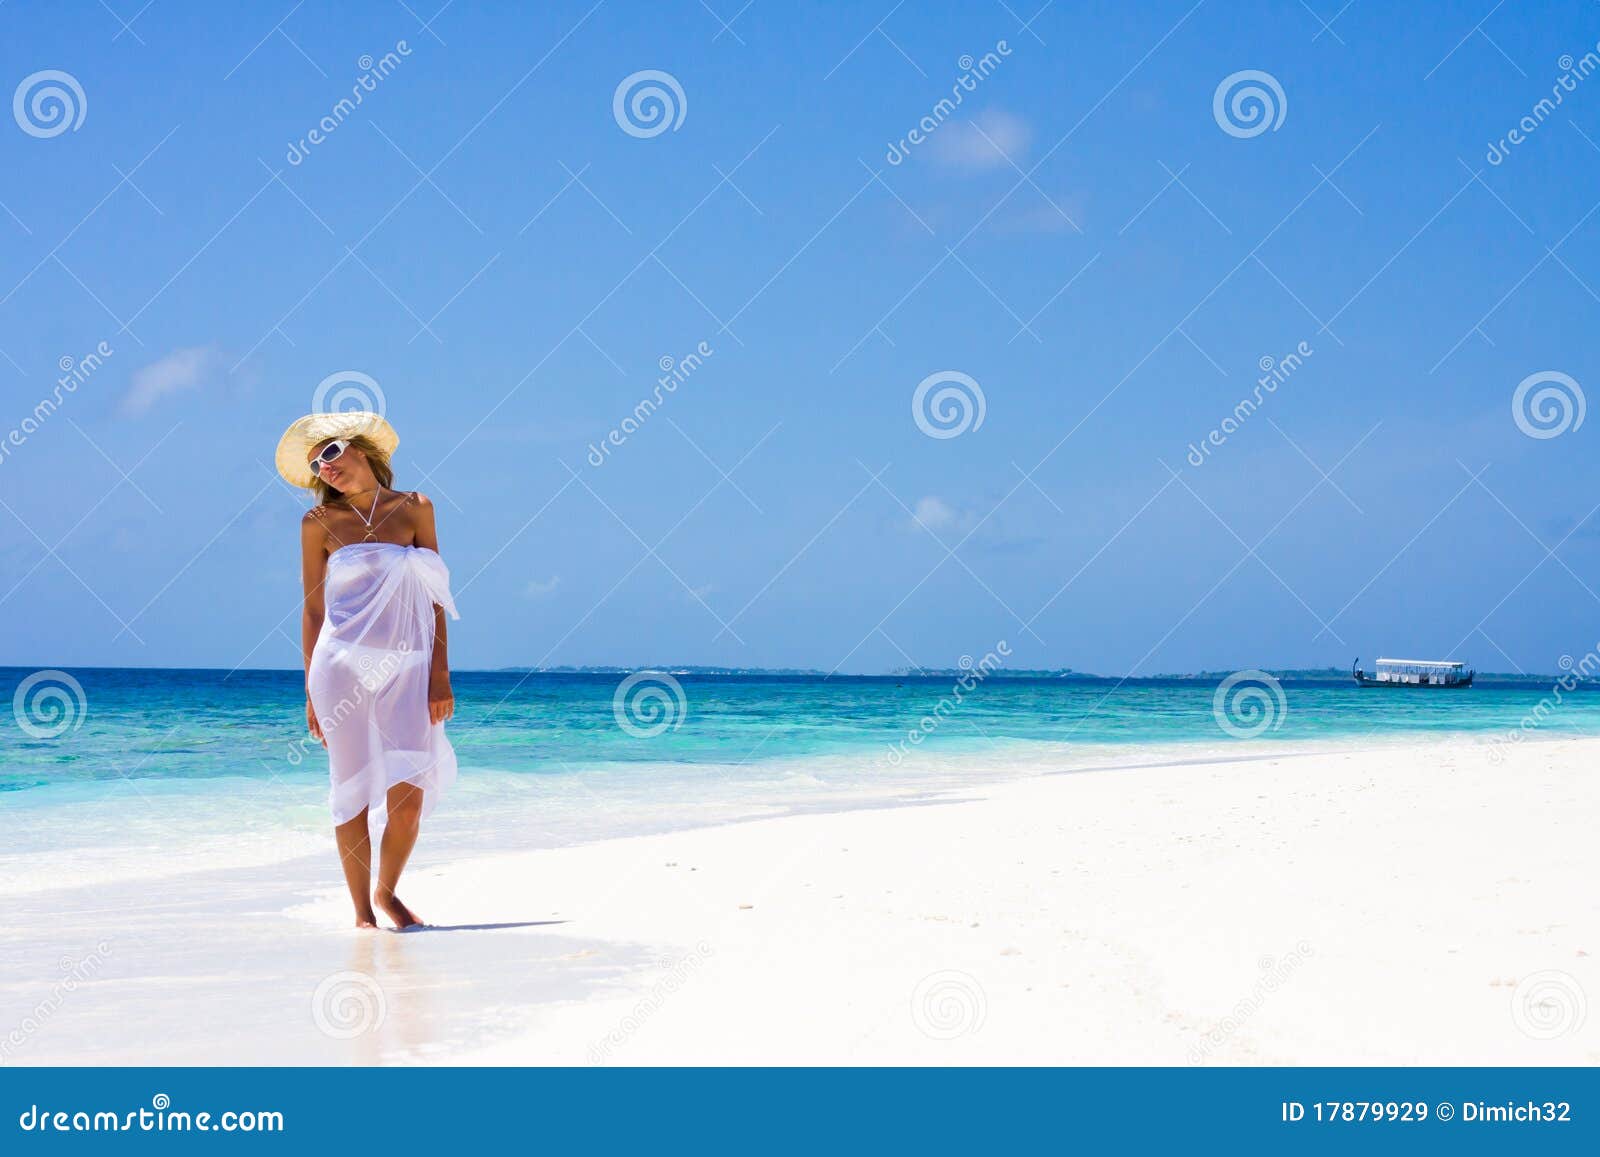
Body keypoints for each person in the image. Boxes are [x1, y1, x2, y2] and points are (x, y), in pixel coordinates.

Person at [275, 411, 461, 929]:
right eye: (316, 463)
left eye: (330, 452)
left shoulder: (415, 508)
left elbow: (435, 594)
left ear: (360, 448)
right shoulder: (317, 524)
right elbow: (313, 611)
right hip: (340, 670)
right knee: (351, 791)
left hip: (409, 668)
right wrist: (311, 693)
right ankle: (362, 913)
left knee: (408, 799)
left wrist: (440, 673)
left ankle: (387, 892)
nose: (324, 467)